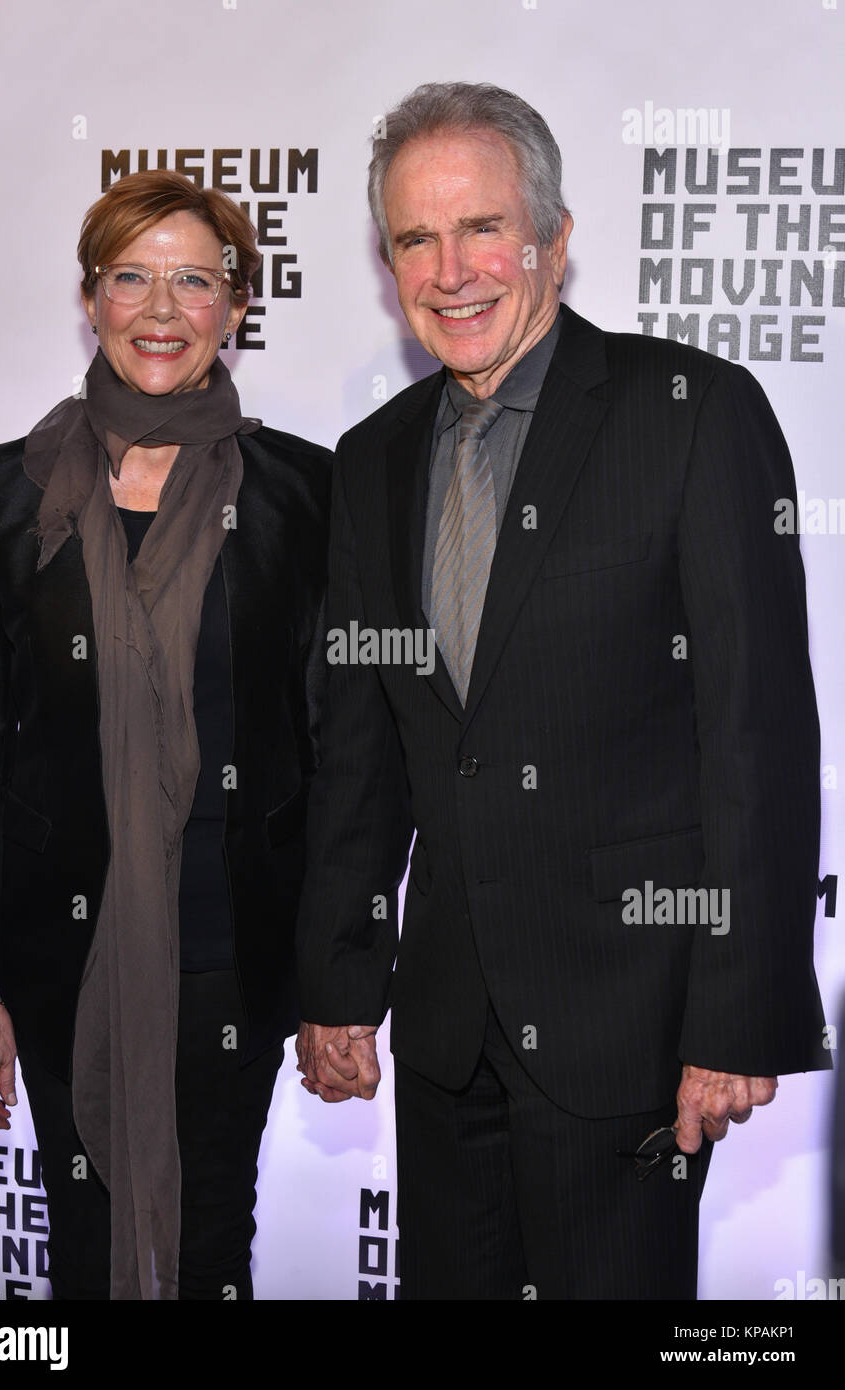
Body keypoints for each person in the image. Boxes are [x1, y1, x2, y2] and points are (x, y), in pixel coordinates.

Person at [296, 81, 831, 1300]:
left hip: (631, 1027)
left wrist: (737, 1016)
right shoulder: (373, 457)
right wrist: (337, 981)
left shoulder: (690, 413)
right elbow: (363, 754)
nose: (451, 270)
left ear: (553, 235)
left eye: (481, 227)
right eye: (414, 241)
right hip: (443, 1032)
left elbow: (754, 734)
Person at [0, 169, 331, 1300]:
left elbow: (334, 745)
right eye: (131, 277)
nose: (161, 310)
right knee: (79, 1245)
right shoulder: (6, 493)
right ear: (90, 298)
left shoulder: (302, 493)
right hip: (62, 960)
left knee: (213, 1249)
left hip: (231, 960)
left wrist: (336, 973)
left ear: (237, 306)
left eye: (193, 281)